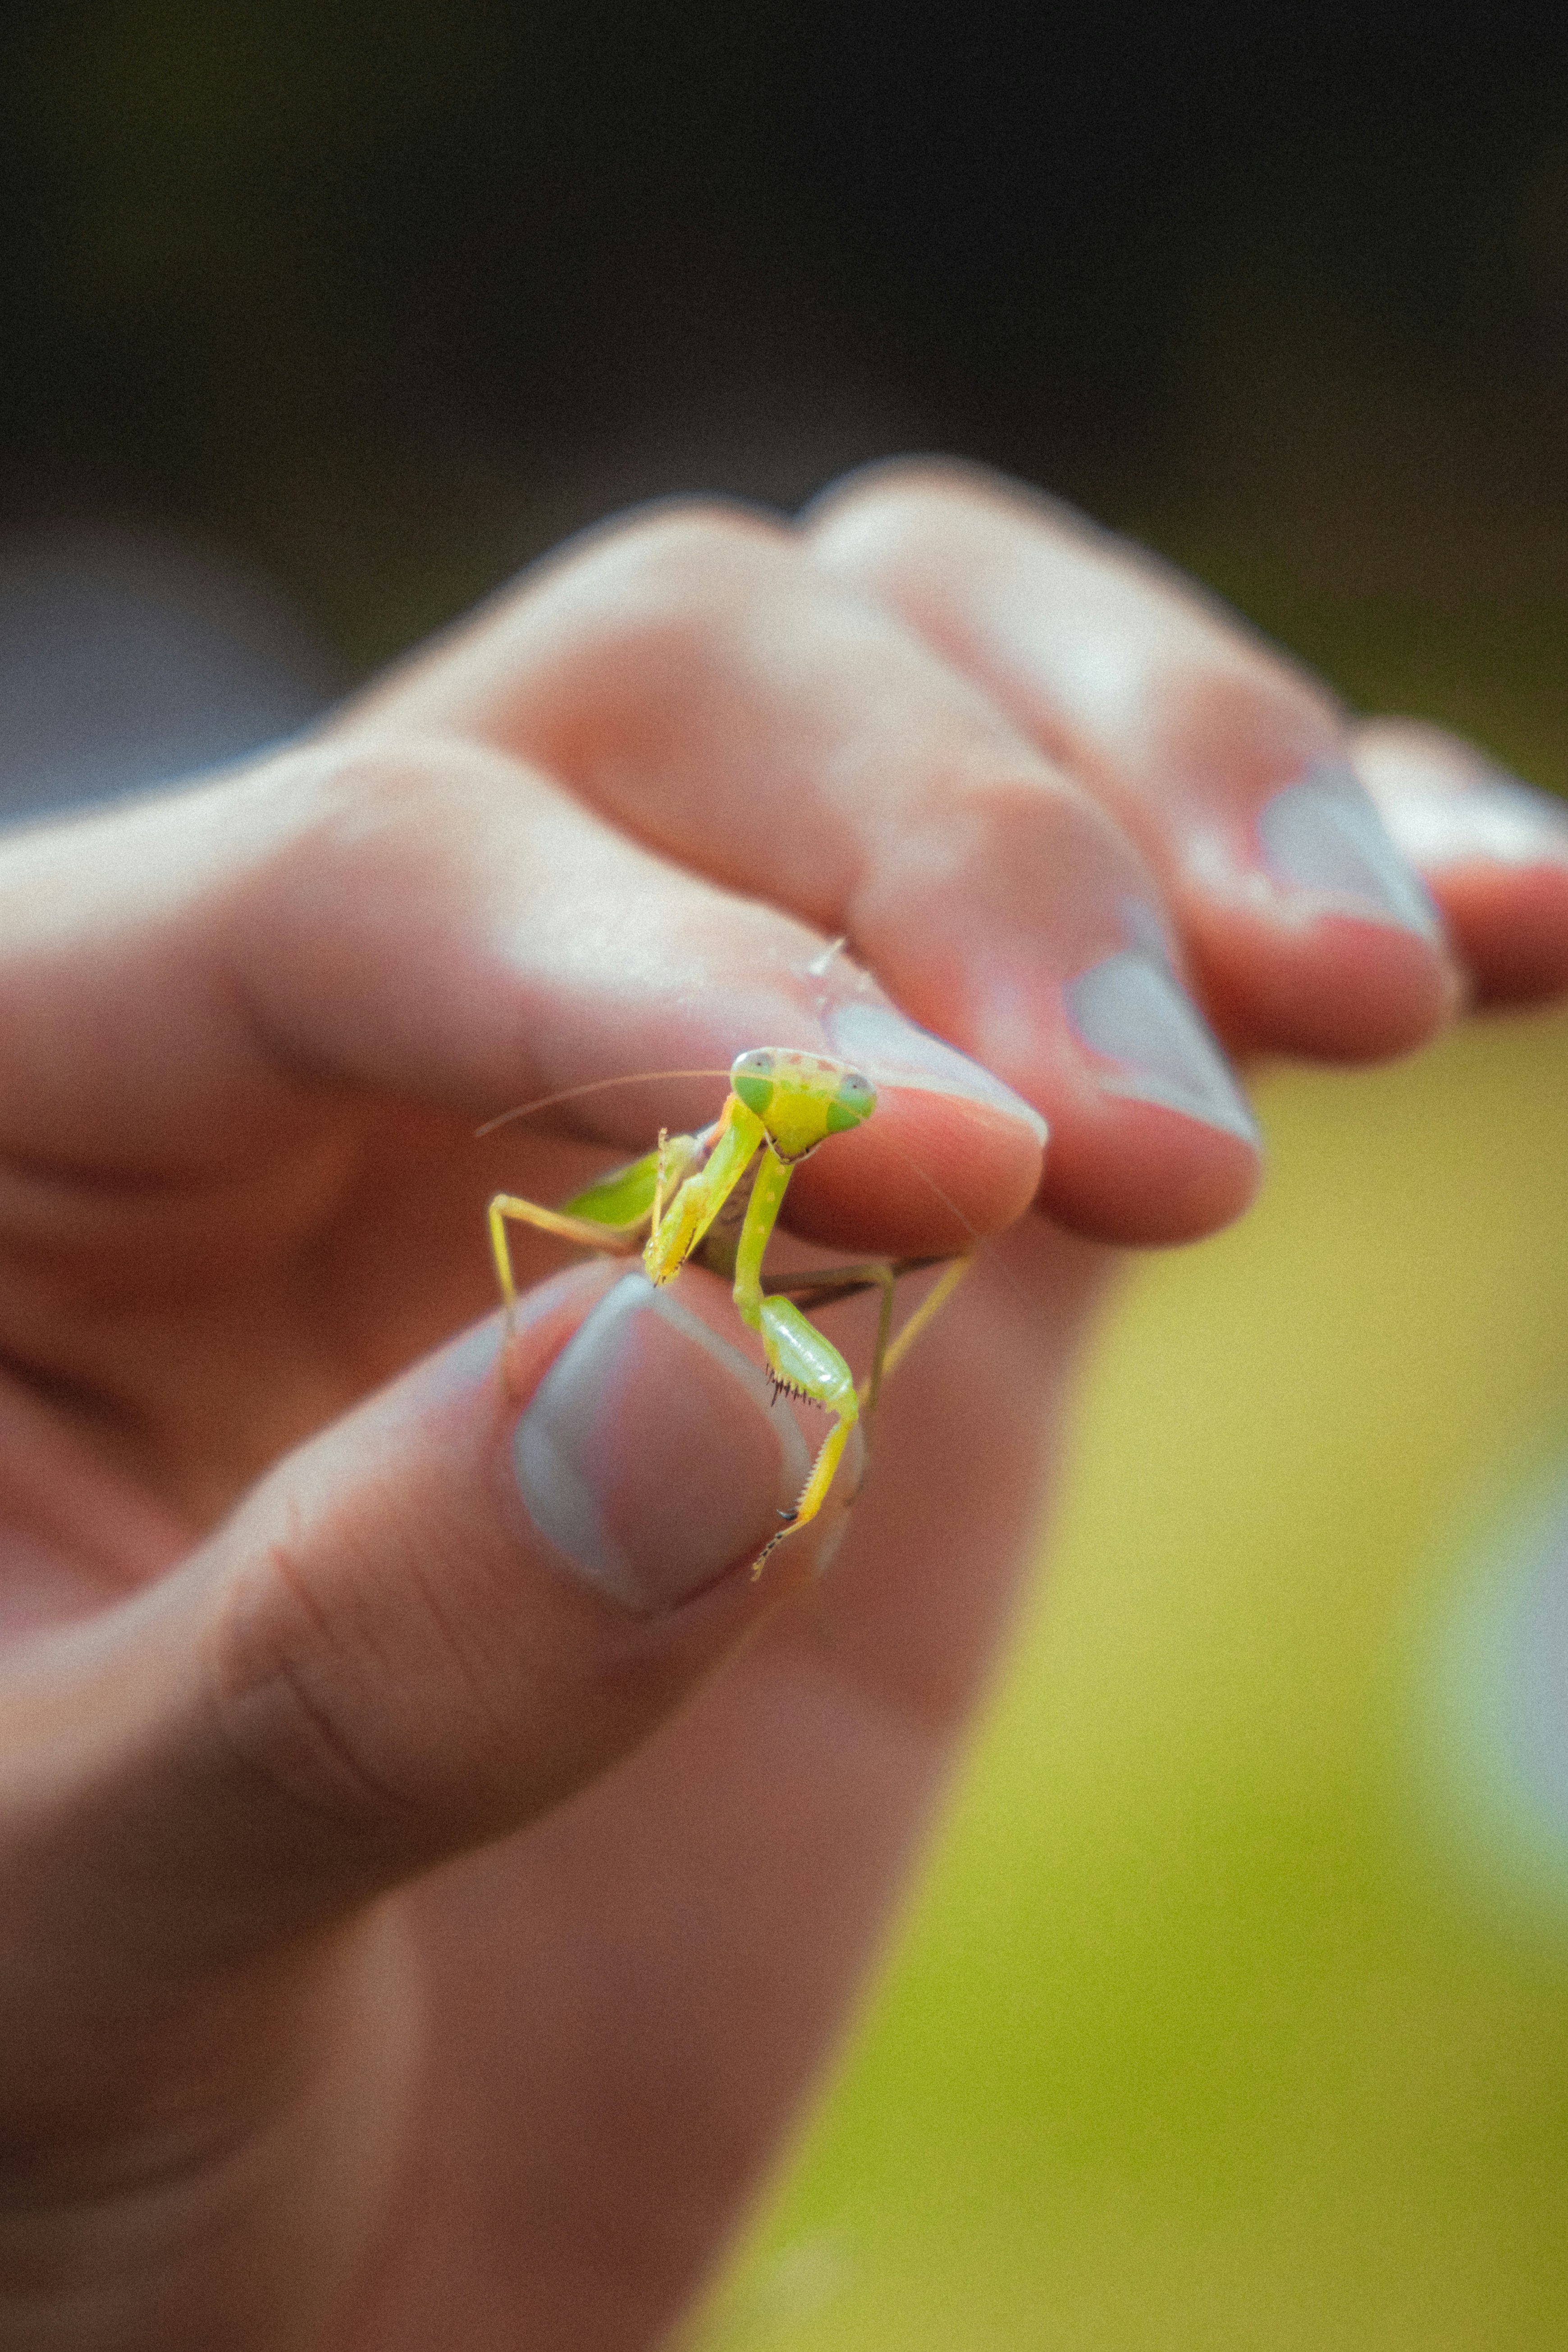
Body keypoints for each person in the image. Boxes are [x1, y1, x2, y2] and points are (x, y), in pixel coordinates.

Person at [1, 461, 1565, 2349]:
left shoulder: (800, 1160)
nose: (799, 1101)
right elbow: (608, 1240)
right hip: (633, 1274)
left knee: (836, 1325)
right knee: (637, 1310)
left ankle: (768, 1509)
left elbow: (828, 1215)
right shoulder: (660, 1179)